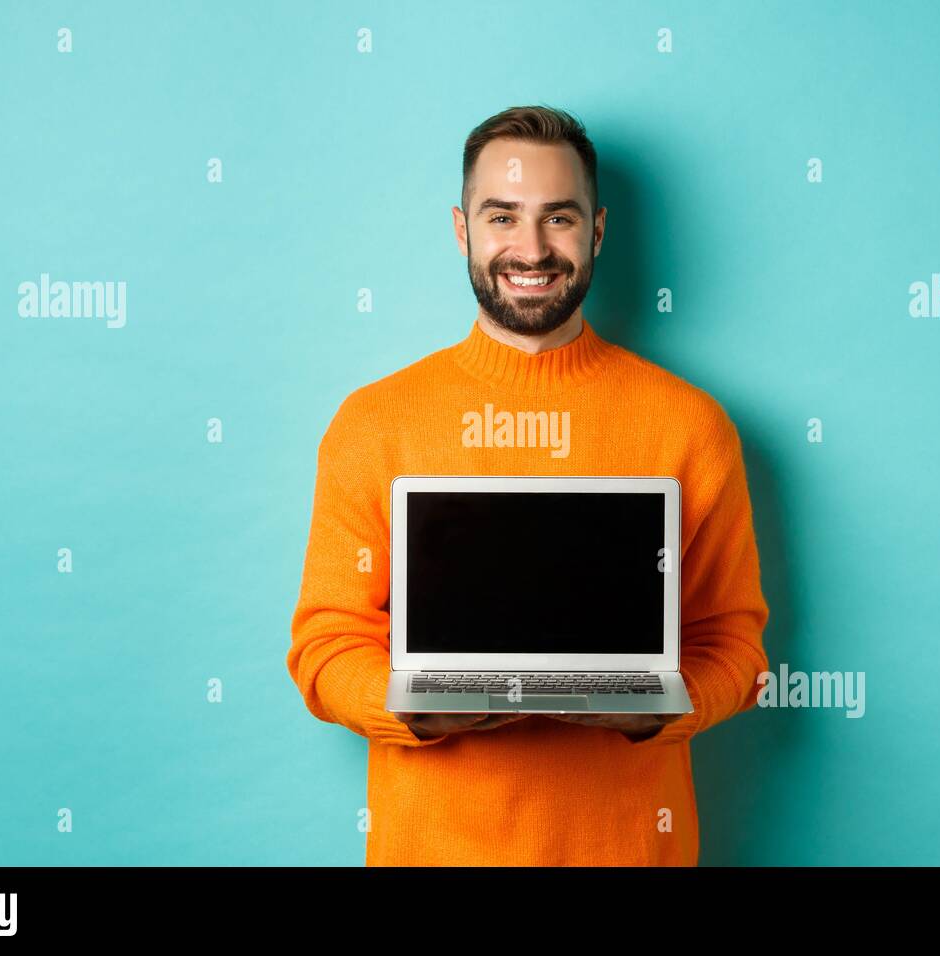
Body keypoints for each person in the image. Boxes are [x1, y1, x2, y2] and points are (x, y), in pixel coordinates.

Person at [287, 105, 769, 865]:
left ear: (599, 232)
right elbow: (324, 644)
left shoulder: (690, 426)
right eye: (503, 215)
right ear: (461, 230)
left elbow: (735, 646)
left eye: (560, 218)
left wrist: (656, 713)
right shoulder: (374, 423)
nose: (532, 248)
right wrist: (414, 709)